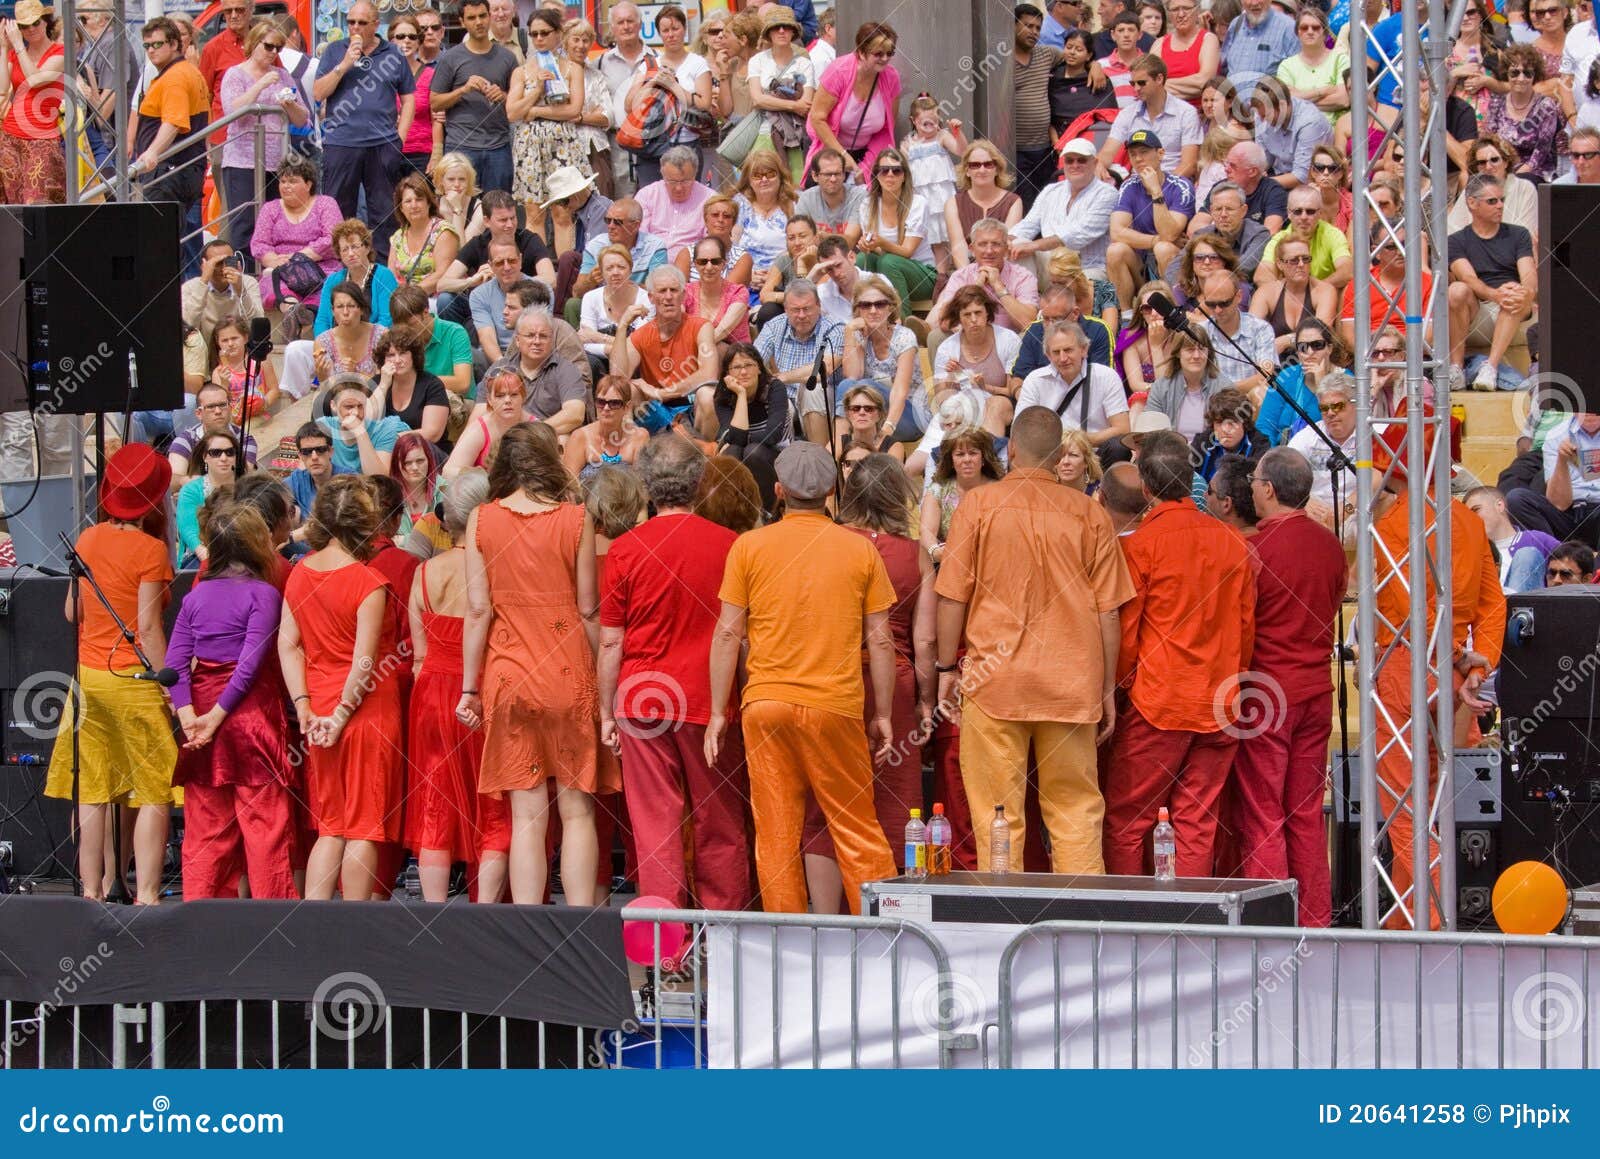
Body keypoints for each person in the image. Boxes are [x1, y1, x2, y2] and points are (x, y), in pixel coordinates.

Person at [936, 405, 1134, 872]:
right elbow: (1109, 613)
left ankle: (1004, 916)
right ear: (1059, 455)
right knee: (1075, 811)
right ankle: (1082, 916)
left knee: (997, 817)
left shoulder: (978, 505)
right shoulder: (1090, 514)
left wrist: (945, 669)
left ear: (1012, 449)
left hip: (995, 683)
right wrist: (1106, 688)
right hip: (1071, 683)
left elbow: (951, 598)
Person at [706, 441, 898, 912]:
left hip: (766, 703)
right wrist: (884, 714)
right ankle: (886, 935)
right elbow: (881, 642)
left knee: (775, 833)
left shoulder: (748, 546)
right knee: (855, 827)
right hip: (835, 706)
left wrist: (716, 713)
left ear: (778, 491)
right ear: (832, 491)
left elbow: (728, 634)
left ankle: (785, 942)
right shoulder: (860, 550)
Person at [459, 423, 614, 905]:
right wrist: (605, 682)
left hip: (508, 674)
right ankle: (580, 924)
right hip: (568, 672)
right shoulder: (576, 519)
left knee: (526, 816)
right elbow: (588, 610)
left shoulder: (481, 519)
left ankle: (528, 927)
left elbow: (478, 611)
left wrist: (468, 688)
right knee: (577, 811)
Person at [594, 436, 750, 909]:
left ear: (645, 484)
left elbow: (611, 641)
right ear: (699, 482)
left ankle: (665, 937)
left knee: (654, 822)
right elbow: (740, 633)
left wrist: (606, 712)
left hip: (643, 695)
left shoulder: (624, 549)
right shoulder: (730, 546)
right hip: (708, 696)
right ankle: (724, 933)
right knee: (719, 819)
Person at [1103, 430, 1255, 876]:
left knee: (1128, 820)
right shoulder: (1232, 541)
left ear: (1145, 486)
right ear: (1191, 479)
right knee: (1197, 822)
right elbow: (1245, 628)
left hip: (1159, 701)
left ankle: (1127, 916)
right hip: (1219, 700)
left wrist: (1119, 687)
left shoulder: (1140, 545)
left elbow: (1127, 634)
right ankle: (1192, 915)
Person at [1370, 443, 1504, 929]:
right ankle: (1408, 918)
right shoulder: (1469, 522)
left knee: (1402, 802)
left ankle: (1429, 916)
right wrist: (1476, 667)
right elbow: (1492, 606)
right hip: (1450, 671)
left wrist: (1457, 658)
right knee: (1430, 799)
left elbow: (1410, 608)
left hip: (1405, 665)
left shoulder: (1389, 523)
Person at [796, 454, 935, 902]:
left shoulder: (825, 543)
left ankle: (825, 917)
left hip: (833, 679)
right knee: (897, 801)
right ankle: (890, 911)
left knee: (826, 801)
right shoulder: (914, 556)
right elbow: (925, 639)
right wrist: (927, 701)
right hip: (894, 682)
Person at [44, 445, 176, 903]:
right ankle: (148, 895)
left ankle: (91, 891)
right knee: (153, 788)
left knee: (93, 787)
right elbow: (148, 628)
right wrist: (168, 683)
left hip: (88, 679)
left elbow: (71, 612)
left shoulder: (87, 539)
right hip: (133, 681)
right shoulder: (152, 550)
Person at [1223, 447, 1347, 925]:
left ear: (1269, 489)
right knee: (1306, 813)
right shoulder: (1330, 546)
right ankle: (1315, 918)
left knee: (1263, 812)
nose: (1251, 488)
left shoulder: (1255, 549)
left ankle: (1270, 921)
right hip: (1315, 689)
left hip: (1268, 694)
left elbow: (1241, 623)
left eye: (1255, 481)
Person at [278, 476, 403, 900]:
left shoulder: (300, 573)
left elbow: (288, 645)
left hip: (319, 708)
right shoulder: (368, 582)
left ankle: (315, 924)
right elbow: (364, 662)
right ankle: (353, 923)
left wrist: (305, 706)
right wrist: (341, 714)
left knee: (330, 826)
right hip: (365, 713)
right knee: (363, 827)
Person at [168, 492, 296, 900]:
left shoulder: (195, 597)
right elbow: (250, 664)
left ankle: (199, 917)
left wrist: (190, 718)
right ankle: (271, 921)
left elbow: (174, 664)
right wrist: (215, 718)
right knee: (265, 832)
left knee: (204, 833)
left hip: (202, 721)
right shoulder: (264, 594)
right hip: (251, 722)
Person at [406, 469, 508, 903]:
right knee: (494, 803)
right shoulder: (498, 570)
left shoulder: (424, 572)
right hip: (483, 688)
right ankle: (484, 914)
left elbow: (418, 656)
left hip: (431, 691)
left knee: (435, 801)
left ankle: (433, 914)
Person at [312, 0, 413, 259]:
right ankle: (340, 266)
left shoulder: (393, 54)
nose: (355, 27)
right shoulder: (335, 50)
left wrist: (399, 139)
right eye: (351, 22)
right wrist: (345, 64)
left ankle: (383, 268)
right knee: (337, 211)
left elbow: (408, 99)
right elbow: (318, 92)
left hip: (382, 144)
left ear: (376, 25)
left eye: (362, 22)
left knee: (385, 212)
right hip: (341, 142)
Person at [218, 20, 307, 264]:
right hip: (242, 161)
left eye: (278, 48)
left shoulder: (283, 76)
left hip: (275, 162)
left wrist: (289, 105)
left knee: (274, 225)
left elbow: (303, 118)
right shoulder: (235, 74)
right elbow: (232, 112)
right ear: (254, 43)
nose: (273, 53)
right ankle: (246, 276)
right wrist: (259, 85)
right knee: (244, 224)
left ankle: (272, 275)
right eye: (269, 46)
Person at [130, 16, 209, 264]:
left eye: (157, 44)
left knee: (159, 243)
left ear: (174, 44)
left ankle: (167, 288)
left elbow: (174, 122)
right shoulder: (185, 71)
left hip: (169, 170)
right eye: (147, 45)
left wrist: (152, 152)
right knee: (172, 241)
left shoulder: (175, 77)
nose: (151, 50)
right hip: (181, 169)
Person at [1448, 175, 1536, 390]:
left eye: (1501, 200)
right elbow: (1468, 278)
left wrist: (1526, 291)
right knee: (1456, 290)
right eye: (1492, 201)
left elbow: (1528, 274)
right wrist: (1495, 294)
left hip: (1513, 307)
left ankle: (1491, 367)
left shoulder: (1519, 234)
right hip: (1479, 306)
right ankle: (1456, 368)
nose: (1500, 206)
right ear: (1472, 203)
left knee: (1516, 293)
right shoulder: (1455, 241)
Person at [613, 265, 720, 437]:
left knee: (707, 394)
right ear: (651, 297)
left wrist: (662, 393)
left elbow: (709, 374)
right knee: (629, 390)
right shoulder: (641, 335)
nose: (668, 297)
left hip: (691, 408)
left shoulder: (701, 326)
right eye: (662, 291)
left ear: (683, 295)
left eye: (674, 290)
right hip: (656, 410)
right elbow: (617, 379)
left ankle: (705, 451)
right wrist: (622, 326)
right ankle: (631, 448)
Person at [428, 0, 517, 195]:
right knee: (458, 206)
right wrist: (463, 90)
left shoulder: (507, 58)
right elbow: (434, 103)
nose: (479, 22)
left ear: (489, 17)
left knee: (499, 206)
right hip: (461, 146)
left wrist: (503, 95)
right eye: (472, 17)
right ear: (462, 22)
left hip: (498, 147)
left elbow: (519, 104)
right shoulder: (450, 58)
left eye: (482, 16)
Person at [507, 6, 587, 211]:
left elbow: (574, 110)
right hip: (529, 144)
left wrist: (535, 111)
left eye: (544, 33)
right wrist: (537, 91)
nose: (539, 38)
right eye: (534, 34)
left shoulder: (573, 68)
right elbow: (512, 113)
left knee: (563, 211)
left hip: (563, 142)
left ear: (558, 33)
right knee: (534, 211)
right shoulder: (521, 71)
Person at [805, 20, 903, 184]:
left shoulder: (891, 77)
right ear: (862, 52)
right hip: (830, 150)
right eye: (878, 54)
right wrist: (843, 156)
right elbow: (817, 118)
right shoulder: (839, 71)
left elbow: (886, 130)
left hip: (866, 153)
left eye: (890, 53)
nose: (885, 58)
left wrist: (866, 168)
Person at [1106, 129, 1194, 307]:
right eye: (1133, 154)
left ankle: (1174, 309)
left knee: (1164, 249)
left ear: (1160, 154)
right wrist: (1155, 240)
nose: (1138, 159)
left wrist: (1156, 191)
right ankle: (1127, 314)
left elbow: (1169, 234)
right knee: (1115, 250)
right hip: (1141, 262)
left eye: (1144, 152)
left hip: (1173, 261)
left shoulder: (1181, 186)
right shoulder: (1129, 186)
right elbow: (1116, 232)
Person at [1009, 138, 1120, 278]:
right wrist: (1006, 241)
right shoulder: (1050, 190)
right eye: (1069, 161)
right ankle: (1024, 292)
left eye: (1081, 160)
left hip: (1088, 268)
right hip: (1050, 264)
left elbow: (1079, 234)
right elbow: (1028, 225)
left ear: (1095, 163)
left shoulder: (1108, 193)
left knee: (1096, 285)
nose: (1075, 165)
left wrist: (1034, 245)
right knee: (1018, 245)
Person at [1016, 320, 1131, 451]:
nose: (1063, 358)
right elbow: (1020, 430)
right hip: (1051, 452)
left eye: (1068, 350)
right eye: (1056, 352)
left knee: (1118, 448)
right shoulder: (1034, 380)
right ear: (1048, 355)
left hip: (1093, 452)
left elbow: (1122, 429)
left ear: (1084, 350)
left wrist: (1078, 442)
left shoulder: (1106, 376)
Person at [252, 156, 342, 321]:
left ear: (308, 184)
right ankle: (292, 310)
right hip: (282, 268)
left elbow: (332, 238)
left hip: (321, 268)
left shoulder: (326, 204)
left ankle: (309, 313)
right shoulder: (270, 208)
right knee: (271, 282)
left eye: (292, 181)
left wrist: (297, 258)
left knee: (329, 286)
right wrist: (275, 260)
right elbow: (259, 243)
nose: (286, 186)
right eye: (283, 181)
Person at [1505, 410, 1600, 547]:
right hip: (1568, 513)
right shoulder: (1556, 434)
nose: (1590, 412)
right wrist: (1562, 460)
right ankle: (1553, 552)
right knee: (1516, 499)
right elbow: (1559, 504)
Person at [1103, 54, 1203, 179]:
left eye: (1141, 83)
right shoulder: (1127, 113)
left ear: (1159, 79)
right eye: (1133, 83)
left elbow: (1189, 164)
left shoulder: (1186, 112)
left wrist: (1162, 186)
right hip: (1138, 183)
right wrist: (1099, 165)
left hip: (1174, 182)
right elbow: (1107, 153)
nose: (1136, 88)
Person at [490, 306, 588, 434]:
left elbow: (575, 415)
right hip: (504, 435)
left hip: (547, 437)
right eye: (530, 335)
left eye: (543, 336)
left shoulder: (566, 370)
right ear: (517, 340)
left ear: (551, 340)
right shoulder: (499, 369)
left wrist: (528, 433)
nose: (537, 341)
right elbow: (480, 412)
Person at [747, 6, 816, 183]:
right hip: (763, 133)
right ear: (768, 33)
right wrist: (793, 105)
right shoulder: (757, 61)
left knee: (795, 186)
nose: (782, 31)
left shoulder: (804, 63)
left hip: (796, 135)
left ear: (793, 31)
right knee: (763, 183)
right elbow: (757, 99)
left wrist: (770, 99)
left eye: (787, 27)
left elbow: (806, 103)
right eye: (776, 27)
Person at [1483, 43, 1568, 182]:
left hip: (1536, 173)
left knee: (1522, 182)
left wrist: (1512, 177)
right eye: (1515, 73)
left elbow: (1541, 152)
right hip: (1501, 170)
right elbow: (1489, 142)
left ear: (1535, 75)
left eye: (1527, 73)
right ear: (1506, 73)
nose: (1521, 79)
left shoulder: (1546, 106)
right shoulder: (1496, 103)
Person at [1250, 235, 1341, 357]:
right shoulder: (1266, 292)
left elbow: (1320, 333)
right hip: (1274, 362)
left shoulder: (1324, 290)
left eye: (1306, 259)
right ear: (1280, 264)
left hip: (1315, 360)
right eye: (1294, 260)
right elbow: (1251, 333)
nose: (1301, 264)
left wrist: (1286, 341)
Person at [1465, 484, 1561, 593]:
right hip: (1491, 601)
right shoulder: (1471, 552)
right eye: (1468, 516)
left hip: (1528, 602)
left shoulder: (1537, 539)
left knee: (1527, 554)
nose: (1472, 519)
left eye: (1476, 510)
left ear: (1499, 505)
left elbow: (1571, 568)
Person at [1257, 186, 1352, 294]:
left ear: (1320, 213)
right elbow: (1261, 276)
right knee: (1263, 294)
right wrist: (1286, 295)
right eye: (1297, 211)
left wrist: (1313, 291)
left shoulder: (1333, 234)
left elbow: (1347, 271)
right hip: (1290, 296)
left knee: (1347, 289)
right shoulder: (1279, 239)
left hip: (1325, 295)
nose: (1303, 217)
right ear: (1289, 213)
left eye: (1310, 211)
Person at [1199, 269, 1277, 397]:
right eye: (1211, 304)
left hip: (1248, 401)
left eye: (1224, 303)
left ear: (1239, 296)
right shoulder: (1199, 332)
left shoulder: (1260, 329)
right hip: (1210, 402)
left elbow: (1265, 376)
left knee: (1261, 393)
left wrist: (1224, 390)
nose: (1217, 310)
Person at [1144, 327, 1229, 439]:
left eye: (1202, 349)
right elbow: (1151, 431)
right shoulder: (1160, 387)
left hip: (1211, 449)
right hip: (1170, 448)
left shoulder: (1224, 388)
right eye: (1190, 350)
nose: (1196, 356)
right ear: (1178, 353)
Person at [369, 326, 449, 446]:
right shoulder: (376, 383)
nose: (397, 360)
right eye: (391, 355)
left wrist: (390, 438)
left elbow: (432, 433)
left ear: (414, 355)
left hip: (425, 450)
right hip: (384, 452)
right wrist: (384, 385)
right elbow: (367, 422)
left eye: (403, 353)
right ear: (383, 359)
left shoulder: (432, 385)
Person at [564, 374, 649, 481]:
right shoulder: (580, 437)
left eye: (614, 403)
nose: (606, 408)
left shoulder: (640, 436)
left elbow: (642, 484)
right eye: (601, 402)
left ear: (627, 407)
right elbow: (571, 484)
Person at [388, 173, 460, 298]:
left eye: (419, 199)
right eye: (408, 201)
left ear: (429, 203)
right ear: (401, 208)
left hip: (435, 298)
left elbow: (443, 274)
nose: (414, 205)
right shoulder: (397, 237)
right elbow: (390, 277)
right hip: (403, 301)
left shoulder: (443, 231)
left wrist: (410, 296)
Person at [176, 430, 243, 565]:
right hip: (201, 555)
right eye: (216, 453)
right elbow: (188, 530)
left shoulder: (248, 486)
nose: (223, 458)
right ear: (205, 457)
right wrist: (206, 557)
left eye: (230, 452)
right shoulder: (190, 490)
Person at [184, 241, 266, 351]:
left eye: (228, 261)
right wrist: (203, 282)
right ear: (204, 265)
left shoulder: (248, 283)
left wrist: (241, 290)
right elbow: (188, 327)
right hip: (204, 352)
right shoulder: (191, 287)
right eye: (217, 263)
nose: (224, 268)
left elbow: (257, 326)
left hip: (240, 352)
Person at [637, 145, 714, 261]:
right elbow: (638, 237)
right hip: (650, 261)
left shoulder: (710, 199)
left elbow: (711, 244)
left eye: (685, 181)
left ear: (695, 175)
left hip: (692, 263)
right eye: (672, 181)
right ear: (663, 175)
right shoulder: (646, 195)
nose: (678, 188)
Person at [444, 368, 525, 478]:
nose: (507, 400)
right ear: (489, 400)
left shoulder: (535, 426)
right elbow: (449, 471)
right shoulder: (479, 429)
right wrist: (486, 479)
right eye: (500, 395)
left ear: (523, 397)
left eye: (514, 394)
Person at [168, 382, 259, 480]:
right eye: (211, 407)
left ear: (230, 408)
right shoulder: (185, 440)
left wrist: (193, 481)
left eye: (222, 405)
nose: (218, 411)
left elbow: (244, 478)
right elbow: (174, 480)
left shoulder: (244, 440)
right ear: (199, 414)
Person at [318, 377, 407, 475]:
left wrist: (360, 432)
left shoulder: (383, 430)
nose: (356, 412)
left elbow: (378, 478)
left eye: (360, 406)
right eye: (348, 406)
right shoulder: (323, 427)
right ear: (333, 405)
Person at [310, 282, 386, 394]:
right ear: (332, 311)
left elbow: (387, 381)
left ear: (361, 309)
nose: (345, 312)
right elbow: (327, 391)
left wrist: (356, 374)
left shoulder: (381, 336)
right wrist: (322, 378)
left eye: (351, 306)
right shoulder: (323, 342)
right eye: (340, 307)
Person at [207, 315, 280, 422]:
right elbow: (219, 403)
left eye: (234, 338)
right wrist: (224, 384)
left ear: (245, 338)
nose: (230, 344)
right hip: (234, 420)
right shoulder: (218, 372)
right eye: (225, 340)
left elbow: (274, 390)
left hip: (259, 415)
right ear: (218, 343)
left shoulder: (261, 361)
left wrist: (263, 404)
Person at [1220, 0, 1298, 94]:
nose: (1254, 3)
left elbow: (1298, 78)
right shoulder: (1236, 24)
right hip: (1233, 102)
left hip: (1268, 102)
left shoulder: (1288, 28)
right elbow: (1224, 69)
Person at [686, 236, 751, 347]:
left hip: (735, 354)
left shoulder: (738, 292)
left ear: (724, 263)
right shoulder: (686, 291)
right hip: (697, 352)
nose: (709, 267)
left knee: (717, 347)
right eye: (702, 262)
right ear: (695, 264)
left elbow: (722, 331)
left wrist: (696, 347)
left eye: (715, 261)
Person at [797, 146, 868, 236]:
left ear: (844, 175)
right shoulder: (806, 199)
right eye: (827, 174)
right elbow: (800, 236)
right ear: (815, 176)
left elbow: (850, 240)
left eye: (837, 174)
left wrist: (818, 235)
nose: (833, 179)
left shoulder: (858, 196)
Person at [285, 420, 346, 526]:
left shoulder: (348, 480)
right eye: (307, 452)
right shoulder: (297, 480)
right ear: (300, 456)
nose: (314, 457)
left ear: (330, 451)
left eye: (320, 450)